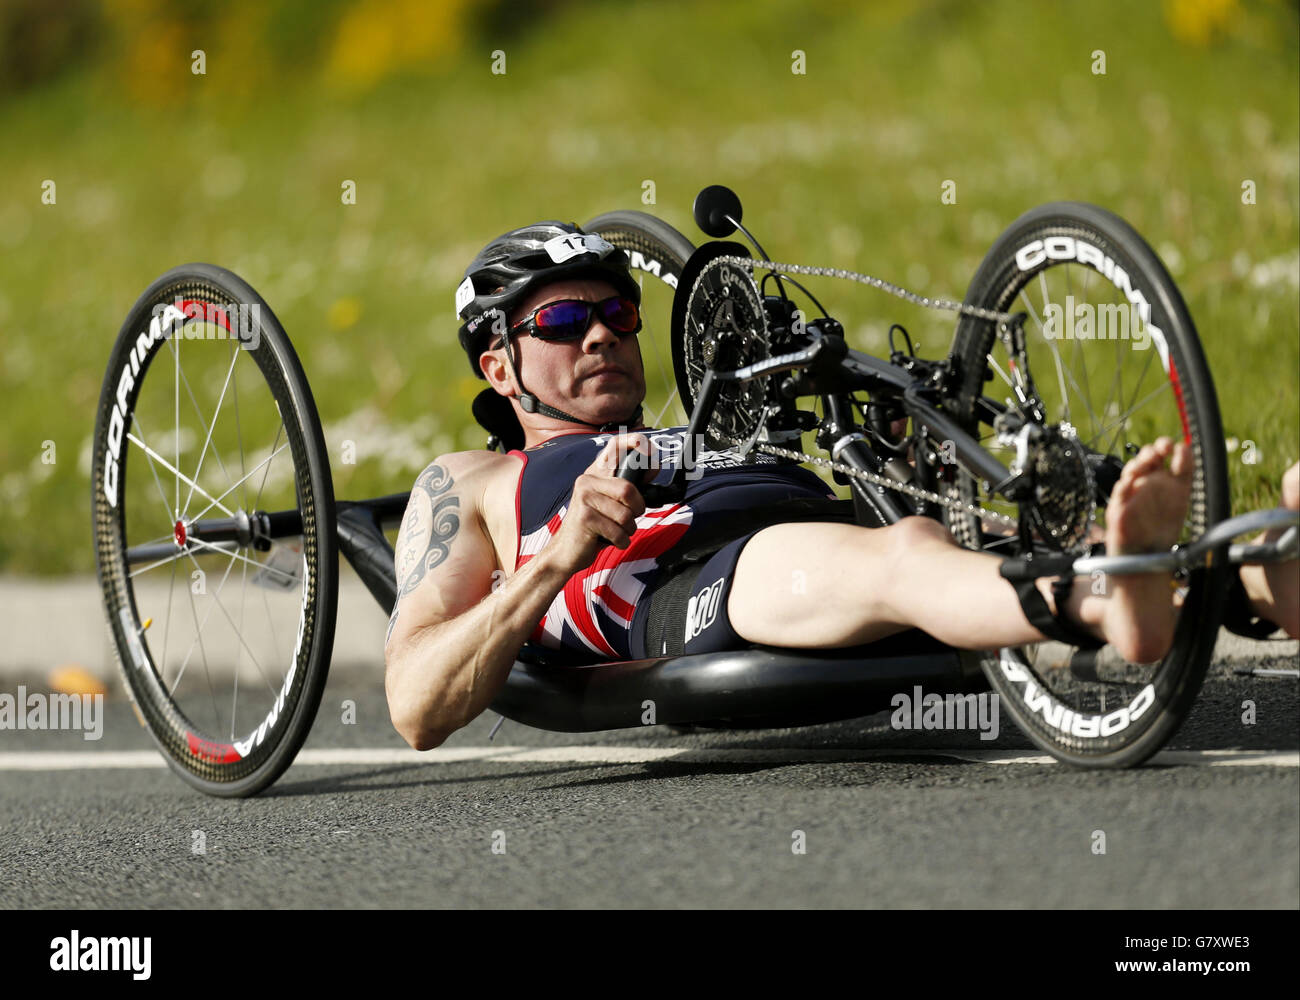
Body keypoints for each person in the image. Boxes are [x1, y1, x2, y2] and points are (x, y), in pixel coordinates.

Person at [383, 221, 1293, 750]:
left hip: (819, 524)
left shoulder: (693, 420)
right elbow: (416, 704)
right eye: (564, 318)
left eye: (617, 312)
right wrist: (558, 558)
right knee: (905, 557)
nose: (602, 334)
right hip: (687, 581)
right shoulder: (474, 482)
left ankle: (1260, 574)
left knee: (952, 530)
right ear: (500, 366)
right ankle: (1103, 600)